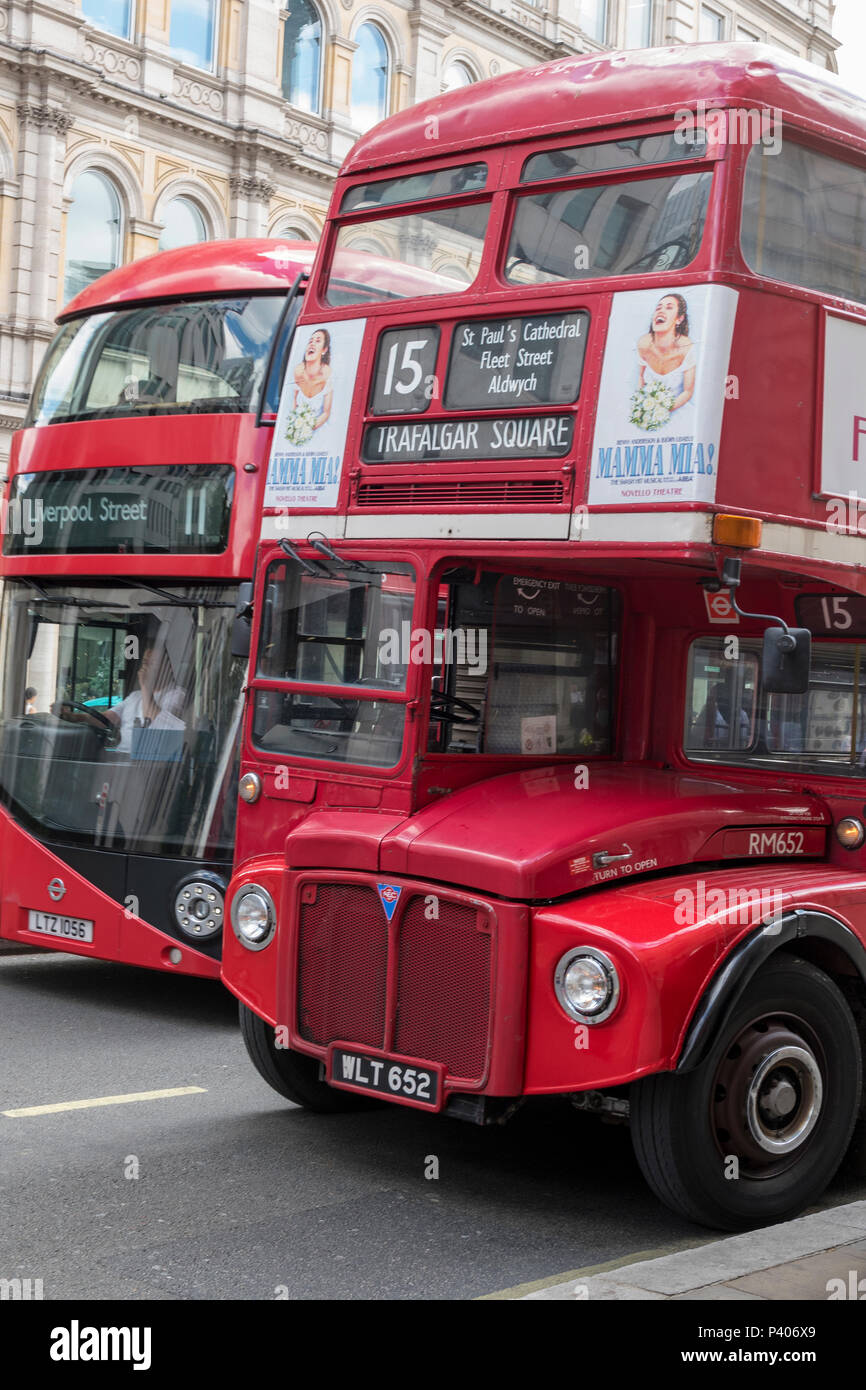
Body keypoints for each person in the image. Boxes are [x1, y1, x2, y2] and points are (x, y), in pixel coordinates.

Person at [53, 640, 185, 753]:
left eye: (153, 663)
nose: (146, 667)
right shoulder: (135, 697)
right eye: (145, 662)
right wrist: (76, 717)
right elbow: (107, 718)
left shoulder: (176, 695)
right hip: (122, 761)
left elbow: (157, 725)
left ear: (167, 667)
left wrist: (145, 687)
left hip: (148, 765)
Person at [636, 294, 696, 412]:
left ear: (679, 319)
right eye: (658, 308)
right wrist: (644, 405)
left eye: (669, 308)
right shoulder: (643, 343)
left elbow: (688, 391)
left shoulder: (686, 348)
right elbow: (640, 377)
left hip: (676, 410)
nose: (661, 311)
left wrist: (661, 411)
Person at [291, 329, 333, 433]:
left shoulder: (328, 375)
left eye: (317, 341)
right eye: (310, 341)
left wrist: (307, 429)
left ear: (324, 350)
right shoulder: (298, 371)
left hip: (318, 431)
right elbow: (294, 402)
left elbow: (326, 413)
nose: (312, 344)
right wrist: (295, 425)